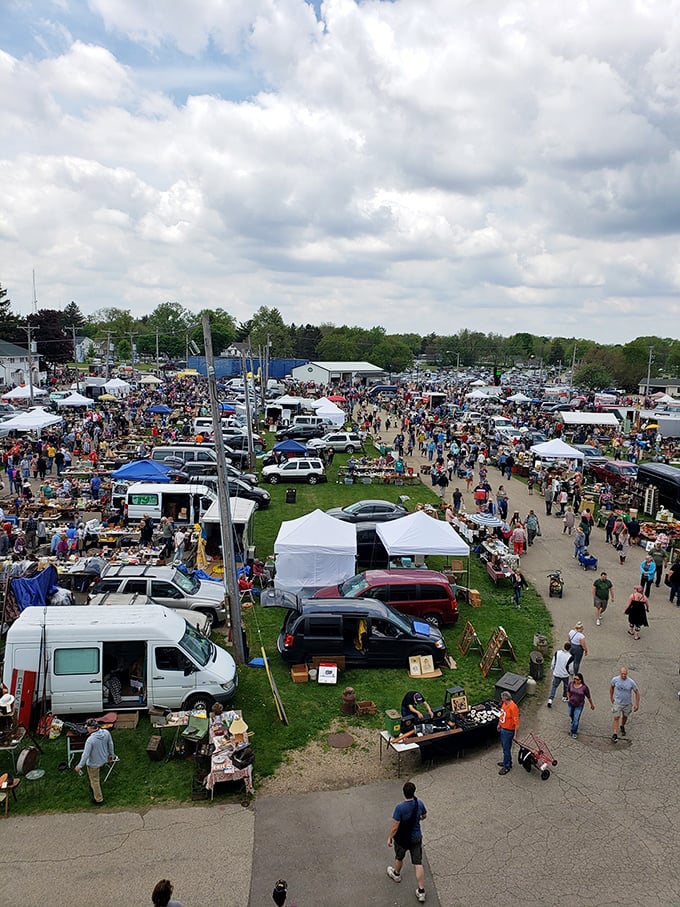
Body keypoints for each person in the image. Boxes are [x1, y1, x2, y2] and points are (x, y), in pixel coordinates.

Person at [387, 780, 428, 903]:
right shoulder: (419, 803)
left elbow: (395, 826)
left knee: (399, 857)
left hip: (403, 839)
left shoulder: (400, 807)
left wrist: (389, 837)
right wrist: (418, 818)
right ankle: (421, 891)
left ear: (404, 793)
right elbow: (424, 816)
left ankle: (396, 874)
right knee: (418, 862)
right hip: (416, 837)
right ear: (414, 792)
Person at [74, 717, 115, 804]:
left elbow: (85, 755)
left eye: (87, 727)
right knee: (94, 779)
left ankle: (98, 799)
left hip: (94, 763)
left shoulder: (90, 740)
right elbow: (110, 744)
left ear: (91, 728)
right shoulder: (106, 733)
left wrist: (79, 766)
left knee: (95, 781)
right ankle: (93, 788)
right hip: (103, 759)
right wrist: (111, 755)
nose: (87, 729)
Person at [610, 666, 640, 742]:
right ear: (620, 673)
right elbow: (611, 687)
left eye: (625, 674)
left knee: (625, 716)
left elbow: (637, 692)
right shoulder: (615, 680)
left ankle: (622, 726)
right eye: (622, 674)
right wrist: (611, 697)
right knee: (616, 717)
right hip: (617, 702)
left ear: (627, 674)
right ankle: (615, 734)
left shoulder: (631, 682)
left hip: (627, 703)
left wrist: (637, 704)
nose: (623, 676)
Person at [497, 691, 519, 775]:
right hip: (503, 729)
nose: (501, 699)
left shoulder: (513, 708)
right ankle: (507, 761)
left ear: (505, 698)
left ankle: (507, 766)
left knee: (506, 749)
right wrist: (499, 724)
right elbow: (502, 715)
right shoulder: (504, 704)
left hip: (508, 731)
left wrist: (515, 735)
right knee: (504, 748)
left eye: (502, 698)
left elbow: (516, 723)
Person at [567, 672, 595, 738]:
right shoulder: (571, 684)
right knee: (570, 714)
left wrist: (592, 704)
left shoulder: (584, 688)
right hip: (571, 703)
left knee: (576, 719)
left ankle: (573, 732)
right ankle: (573, 722)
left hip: (579, 705)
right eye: (574, 679)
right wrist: (568, 697)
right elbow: (568, 691)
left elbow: (588, 697)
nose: (575, 680)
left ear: (581, 680)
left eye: (577, 679)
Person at [547, 642, 574, 707]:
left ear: (564, 646)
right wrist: (571, 673)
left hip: (557, 673)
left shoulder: (557, 653)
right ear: (570, 649)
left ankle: (550, 699)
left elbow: (553, 662)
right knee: (566, 686)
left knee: (554, 686)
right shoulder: (570, 657)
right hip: (565, 674)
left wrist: (553, 668)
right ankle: (564, 697)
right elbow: (570, 668)